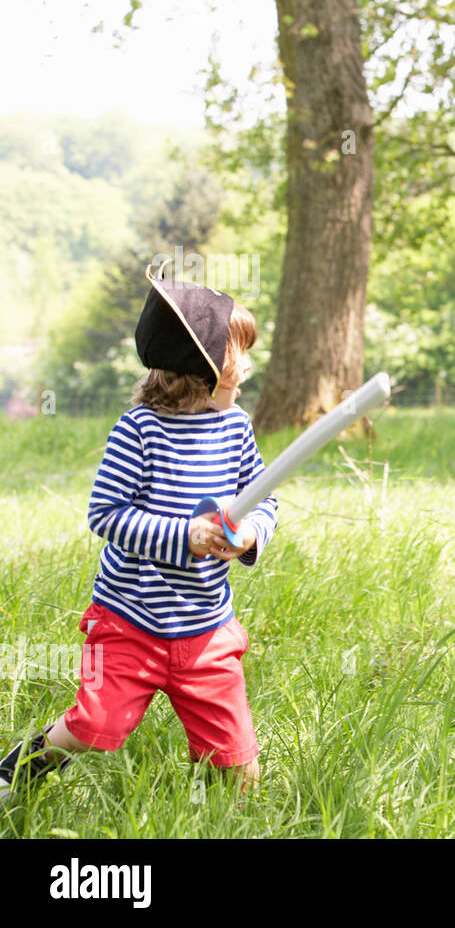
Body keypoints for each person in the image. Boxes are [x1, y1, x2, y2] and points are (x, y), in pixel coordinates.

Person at [0, 269, 278, 802]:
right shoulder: (140, 429)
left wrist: (249, 536)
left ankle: (236, 822)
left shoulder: (236, 427)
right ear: (203, 364)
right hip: (132, 622)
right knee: (92, 725)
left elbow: (264, 496)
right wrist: (184, 536)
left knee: (237, 756)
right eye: (240, 351)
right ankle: (14, 775)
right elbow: (105, 514)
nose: (248, 363)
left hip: (204, 628)